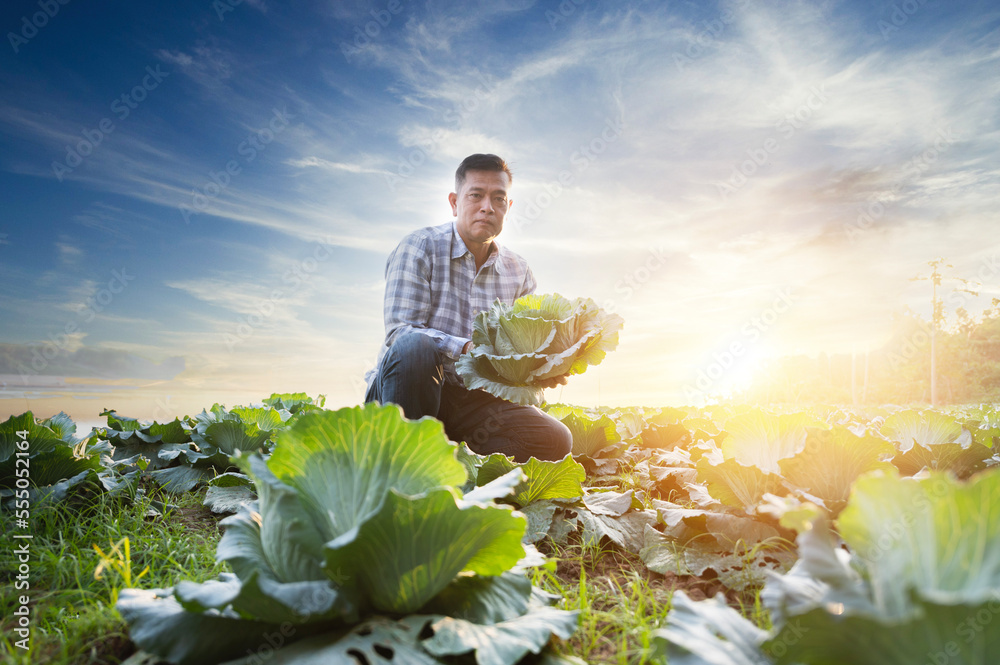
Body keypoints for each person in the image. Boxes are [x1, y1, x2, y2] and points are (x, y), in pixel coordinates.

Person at [364, 153, 572, 462]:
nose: (487, 207)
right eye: (476, 195)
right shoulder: (420, 246)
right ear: (454, 202)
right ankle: (399, 462)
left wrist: (542, 370)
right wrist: (466, 349)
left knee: (556, 440)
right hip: (404, 391)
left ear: (508, 207)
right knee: (416, 347)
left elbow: (519, 353)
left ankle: (449, 459)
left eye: (498, 198)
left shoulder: (519, 271)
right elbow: (400, 332)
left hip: (472, 403)